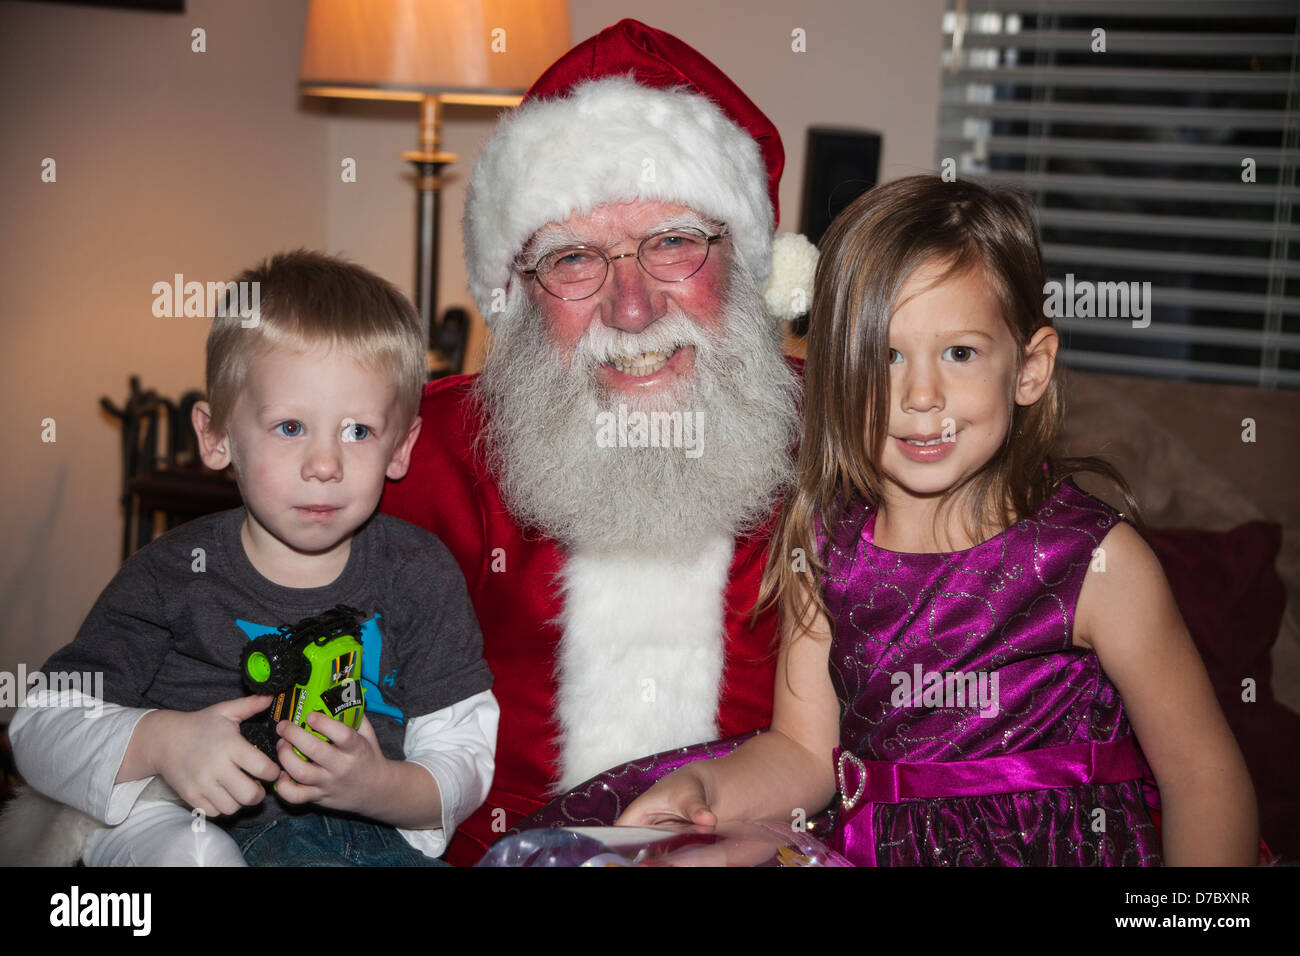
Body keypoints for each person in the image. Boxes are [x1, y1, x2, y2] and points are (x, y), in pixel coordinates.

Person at [617, 175, 1260, 865]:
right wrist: (702, 792)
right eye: (886, 357)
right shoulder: (825, 550)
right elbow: (803, 753)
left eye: (959, 353)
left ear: (1030, 369)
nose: (921, 396)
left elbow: (1203, 776)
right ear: (833, 375)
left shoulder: (1097, 563)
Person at [380, 18, 812, 864]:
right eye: (575, 259)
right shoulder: (425, 454)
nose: (632, 308)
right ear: (518, 294)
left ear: (749, 262)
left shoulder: (849, 444)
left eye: (676, 242)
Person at [5, 251, 497, 866]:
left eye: (359, 432)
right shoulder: (171, 574)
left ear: (402, 448)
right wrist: (160, 742)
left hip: (367, 840)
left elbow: (464, 758)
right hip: (182, 822)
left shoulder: (419, 574)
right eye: (290, 428)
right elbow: (39, 726)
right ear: (216, 438)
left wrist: (380, 787)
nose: (325, 464)